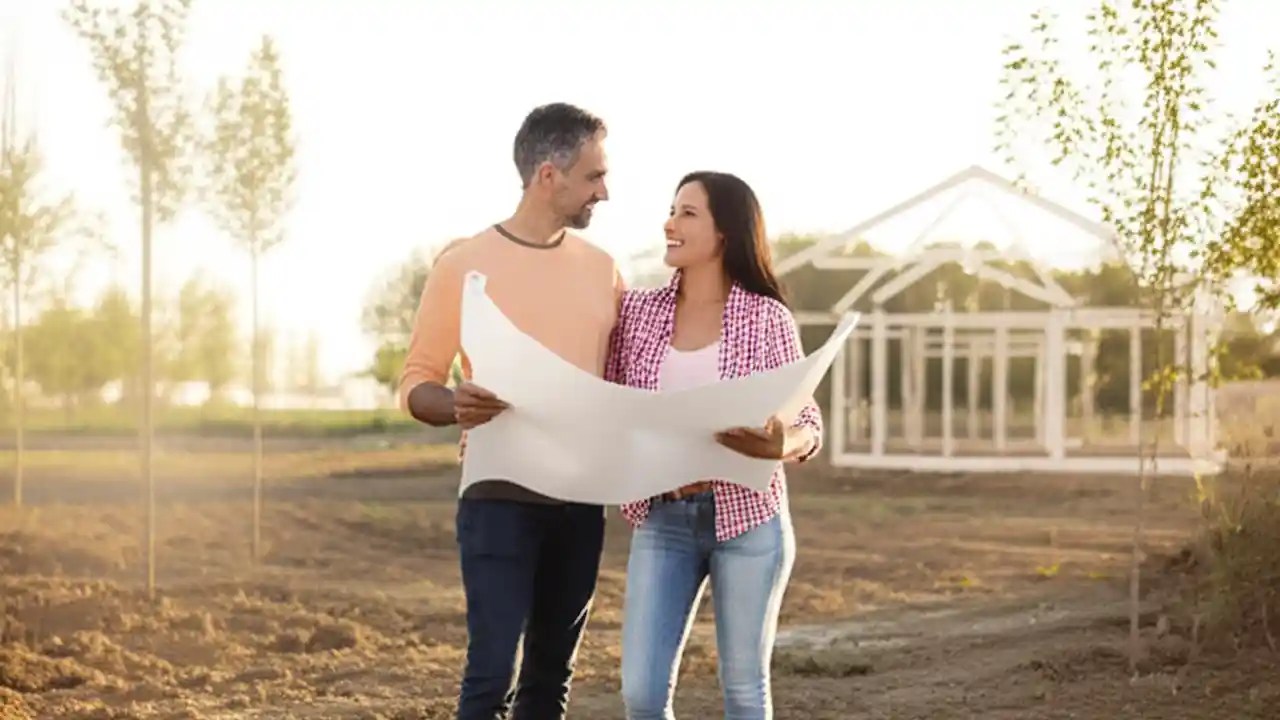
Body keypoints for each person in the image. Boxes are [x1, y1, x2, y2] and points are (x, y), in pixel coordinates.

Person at [398, 102, 624, 720]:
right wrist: (454, 404)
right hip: (498, 497)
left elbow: (629, 379)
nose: (605, 191)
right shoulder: (462, 264)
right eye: (593, 176)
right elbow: (417, 382)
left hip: (581, 501)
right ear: (548, 175)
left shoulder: (604, 271)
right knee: (491, 672)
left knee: (551, 677)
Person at [605, 171, 823, 719]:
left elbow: (808, 420)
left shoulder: (766, 317)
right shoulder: (636, 313)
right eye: (672, 210)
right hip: (663, 518)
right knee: (642, 694)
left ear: (724, 233)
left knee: (744, 690)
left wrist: (782, 444)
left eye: (686, 213)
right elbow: (607, 401)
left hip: (749, 520)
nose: (669, 223)